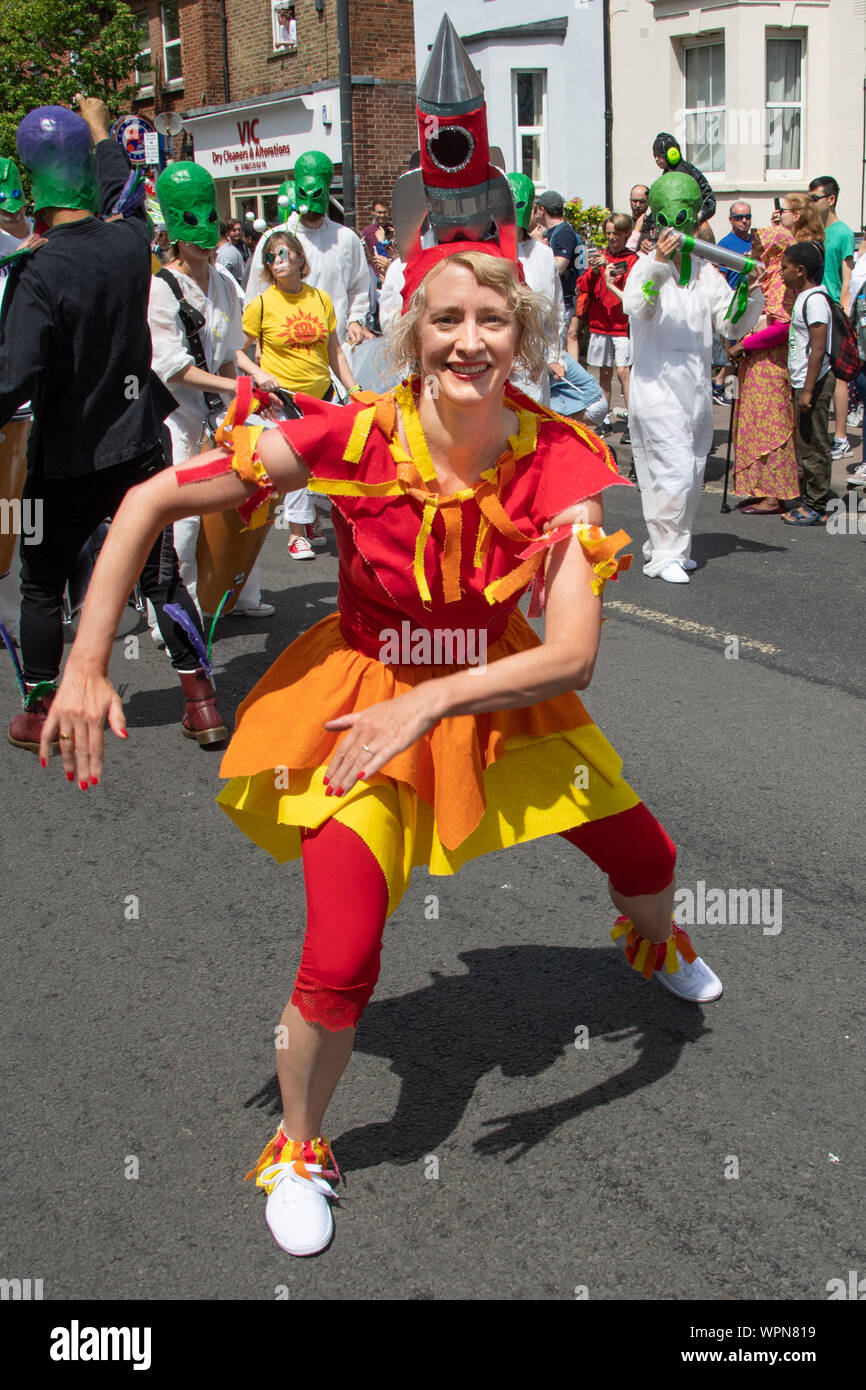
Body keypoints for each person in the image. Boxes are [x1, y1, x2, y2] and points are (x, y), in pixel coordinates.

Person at [39, 17, 725, 1263]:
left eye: (493, 321)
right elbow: (145, 501)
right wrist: (85, 662)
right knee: (343, 952)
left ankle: (652, 933)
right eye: (446, 318)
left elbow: (568, 653)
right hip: (360, 699)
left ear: (523, 333)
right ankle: (302, 1140)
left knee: (648, 850)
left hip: (499, 693)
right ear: (411, 329)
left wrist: (438, 699)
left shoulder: (559, 457)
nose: (470, 341)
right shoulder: (352, 438)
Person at [0, 98, 225, 752]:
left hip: (65, 458)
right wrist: (99, 122)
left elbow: (12, 380)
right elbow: (121, 183)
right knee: (161, 581)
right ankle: (202, 703)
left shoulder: (36, 271)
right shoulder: (131, 240)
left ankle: (43, 712)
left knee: (42, 580)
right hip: (139, 450)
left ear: (31, 176)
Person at [622, 172, 764, 582]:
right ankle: (664, 553)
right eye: (671, 215)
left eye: (687, 215)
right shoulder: (645, 267)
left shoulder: (706, 272)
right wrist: (660, 266)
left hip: (695, 391)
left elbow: (731, 326)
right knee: (674, 469)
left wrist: (749, 290)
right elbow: (638, 308)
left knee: (694, 469)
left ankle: (674, 545)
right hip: (654, 387)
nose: (679, 225)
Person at [148, 163, 272, 621]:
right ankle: (171, 615)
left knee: (246, 499)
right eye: (192, 226)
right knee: (181, 524)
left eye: (210, 224)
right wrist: (235, 384)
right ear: (175, 229)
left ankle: (234, 595)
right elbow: (174, 369)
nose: (203, 237)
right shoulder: (161, 291)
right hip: (176, 423)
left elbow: (224, 353)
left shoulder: (223, 284)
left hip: (217, 416)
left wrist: (245, 390)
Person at [236, 229, 358, 559]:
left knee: (329, 463)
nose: (277, 261)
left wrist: (355, 389)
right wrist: (259, 373)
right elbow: (235, 351)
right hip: (284, 399)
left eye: (283, 254)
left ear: (300, 258)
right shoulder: (261, 305)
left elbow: (335, 352)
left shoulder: (320, 299)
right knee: (296, 461)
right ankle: (295, 533)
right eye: (270, 257)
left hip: (322, 395)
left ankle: (309, 521)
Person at [244, 152, 371, 347]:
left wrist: (356, 319)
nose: (311, 208)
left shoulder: (346, 239)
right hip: (285, 352)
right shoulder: (274, 239)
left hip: (334, 348)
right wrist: (260, 342)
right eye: (305, 193)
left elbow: (359, 285)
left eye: (318, 194)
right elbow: (257, 291)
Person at [725, 223, 799, 514]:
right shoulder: (765, 277)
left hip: (771, 363)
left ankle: (775, 495)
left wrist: (746, 345)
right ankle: (759, 488)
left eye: (757, 245)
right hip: (754, 364)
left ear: (772, 249)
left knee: (773, 427)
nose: (752, 251)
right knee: (754, 425)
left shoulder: (783, 281)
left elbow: (782, 327)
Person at [778, 241, 834, 525]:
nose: (781, 272)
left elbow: (818, 347)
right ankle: (812, 499)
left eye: (785, 267)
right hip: (804, 379)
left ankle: (816, 506)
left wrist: (808, 390)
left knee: (814, 443)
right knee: (807, 440)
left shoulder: (814, 300)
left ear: (800, 270)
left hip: (815, 381)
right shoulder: (804, 297)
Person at [506, 171, 566, 406]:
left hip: (535, 360)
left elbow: (554, 309)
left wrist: (555, 355)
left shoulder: (542, 254)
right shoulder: (487, 252)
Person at [577, 215, 637, 441]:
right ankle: (604, 419)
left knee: (623, 372)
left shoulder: (632, 260)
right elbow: (583, 285)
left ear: (625, 234)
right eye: (608, 232)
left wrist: (607, 270)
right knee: (603, 371)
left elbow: (631, 287)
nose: (611, 237)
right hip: (600, 322)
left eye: (616, 233)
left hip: (621, 324)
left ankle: (633, 421)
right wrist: (594, 271)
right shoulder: (599, 255)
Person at [807, 175, 855, 459]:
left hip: (833, 308)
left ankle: (840, 437)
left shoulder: (844, 233)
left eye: (815, 198)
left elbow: (847, 278)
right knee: (813, 370)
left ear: (830, 199)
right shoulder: (812, 232)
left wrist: (845, 312)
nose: (811, 203)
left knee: (839, 376)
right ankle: (815, 433)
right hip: (812, 308)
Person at [534, 190, 581, 322]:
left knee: (560, 341)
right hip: (555, 300)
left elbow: (559, 268)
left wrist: (539, 245)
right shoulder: (550, 232)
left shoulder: (564, 232)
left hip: (565, 303)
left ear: (542, 209)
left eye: (536, 208)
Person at [215, 219, 245, 288]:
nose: (237, 232)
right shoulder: (230, 250)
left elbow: (223, 281)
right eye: (234, 230)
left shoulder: (225, 254)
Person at [625, 186, 649, 253]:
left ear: (648, 202)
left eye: (642, 201)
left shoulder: (654, 225)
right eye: (635, 201)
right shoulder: (623, 224)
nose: (638, 205)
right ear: (630, 201)